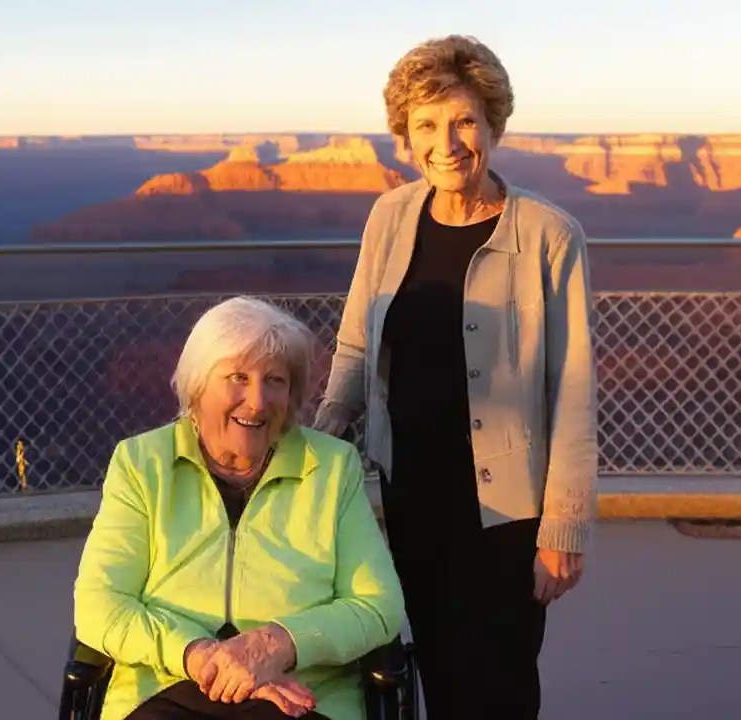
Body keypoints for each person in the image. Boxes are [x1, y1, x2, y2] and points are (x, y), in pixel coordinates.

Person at [312, 34, 599, 719]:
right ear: (405, 139)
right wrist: (318, 438)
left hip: (506, 511)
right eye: (427, 126)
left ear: (493, 124)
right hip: (410, 492)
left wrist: (564, 529)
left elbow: (575, 392)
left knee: (499, 675)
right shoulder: (389, 217)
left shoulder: (550, 236)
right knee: (436, 659)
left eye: (465, 120)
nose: (448, 142)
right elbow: (357, 343)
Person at [75, 296, 405, 720]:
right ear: (197, 386)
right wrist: (200, 656)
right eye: (237, 378)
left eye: (275, 381)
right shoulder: (142, 465)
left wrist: (277, 645)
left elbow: (378, 605)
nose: (257, 401)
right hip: (168, 688)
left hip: (299, 695)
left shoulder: (331, 469)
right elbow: (100, 604)